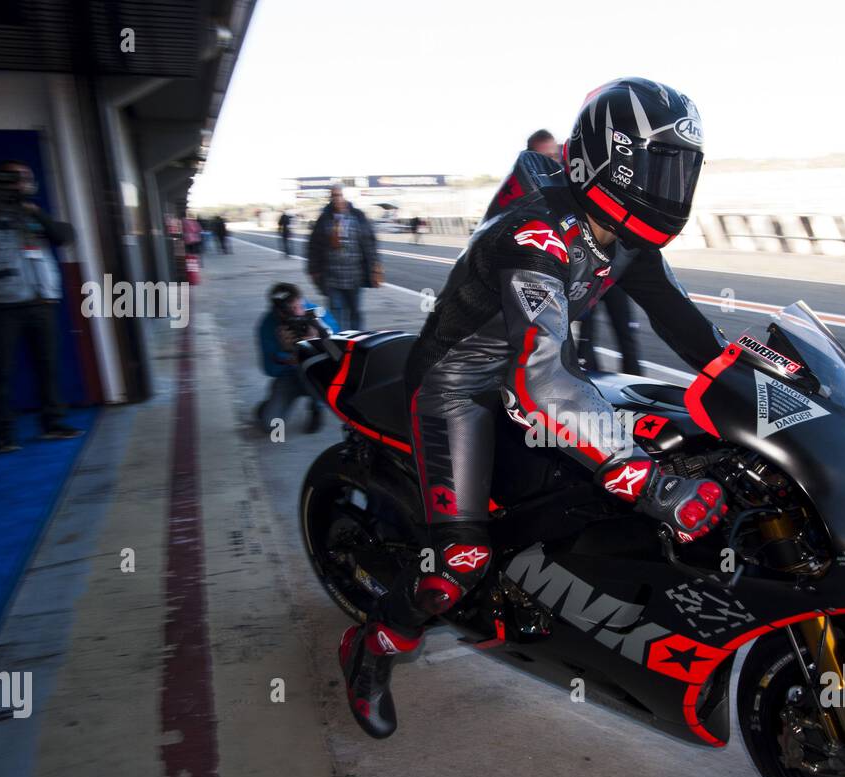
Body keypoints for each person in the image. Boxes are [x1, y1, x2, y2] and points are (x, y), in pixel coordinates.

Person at [339, 78, 729, 738]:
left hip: (538, 369)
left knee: (637, 455)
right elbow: (539, 387)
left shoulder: (627, 236)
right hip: (458, 389)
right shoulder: (537, 236)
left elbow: (683, 325)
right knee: (459, 560)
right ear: (614, 159)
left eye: (683, 167)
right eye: (663, 164)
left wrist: (759, 375)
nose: (675, 182)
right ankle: (373, 648)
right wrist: (656, 485)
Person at [0, 160, 85, 452]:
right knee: (2, 371)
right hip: (3, 305)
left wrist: (36, 212)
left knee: (48, 366)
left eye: (24, 178)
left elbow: (64, 237)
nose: (18, 184)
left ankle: (53, 424)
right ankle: (4, 436)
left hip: (42, 302)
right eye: (12, 178)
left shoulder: (33, 214)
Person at [256, 282, 337, 434]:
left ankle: (317, 406)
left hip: (316, 375)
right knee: (271, 426)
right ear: (278, 312)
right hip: (289, 378)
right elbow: (269, 369)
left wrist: (319, 340)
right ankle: (269, 406)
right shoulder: (268, 325)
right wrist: (285, 353)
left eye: (299, 306)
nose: (298, 313)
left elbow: (338, 351)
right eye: (291, 310)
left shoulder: (317, 314)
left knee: (339, 398)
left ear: (301, 300)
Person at [307, 186, 382, 330]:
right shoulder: (324, 219)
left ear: (345, 197)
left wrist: (375, 266)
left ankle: (356, 346)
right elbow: (314, 247)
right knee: (335, 317)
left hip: (354, 278)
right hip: (332, 279)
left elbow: (370, 243)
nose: (337, 198)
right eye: (334, 195)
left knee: (355, 314)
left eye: (339, 195)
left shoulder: (358, 217)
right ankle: (339, 347)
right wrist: (313, 270)